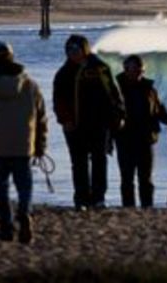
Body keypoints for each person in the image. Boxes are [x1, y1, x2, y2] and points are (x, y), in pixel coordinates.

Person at [0, 41, 48, 244]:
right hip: (24, 146)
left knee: (1, 188)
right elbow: (41, 118)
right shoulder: (30, 85)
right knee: (25, 186)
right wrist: (40, 144)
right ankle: (24, 213)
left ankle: (6, 228)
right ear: (12, 57)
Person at [53, 34, 125, 210]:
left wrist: (119, 115)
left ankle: (98, 198)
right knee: (79, 163)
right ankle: (81, 199)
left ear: (84, 50)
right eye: (69, 50)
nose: (72, 53)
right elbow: (58, 100)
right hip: (74, 126)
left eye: (75, 50)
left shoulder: (100, 68)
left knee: (99, 160)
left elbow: (113, 94)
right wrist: (65, 120)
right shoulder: (64, 73)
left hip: (99, 125)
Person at [116, 54, 167, 208]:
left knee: (146, 179)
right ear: (126, 69)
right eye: (135, 69)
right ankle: (128, 209)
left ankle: (147, 208)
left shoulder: (149, 89)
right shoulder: (117, 88)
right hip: (125, 139)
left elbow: (159, 111)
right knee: (127, 179)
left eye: (141, 70)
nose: (139, 73)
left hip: (145, 139)